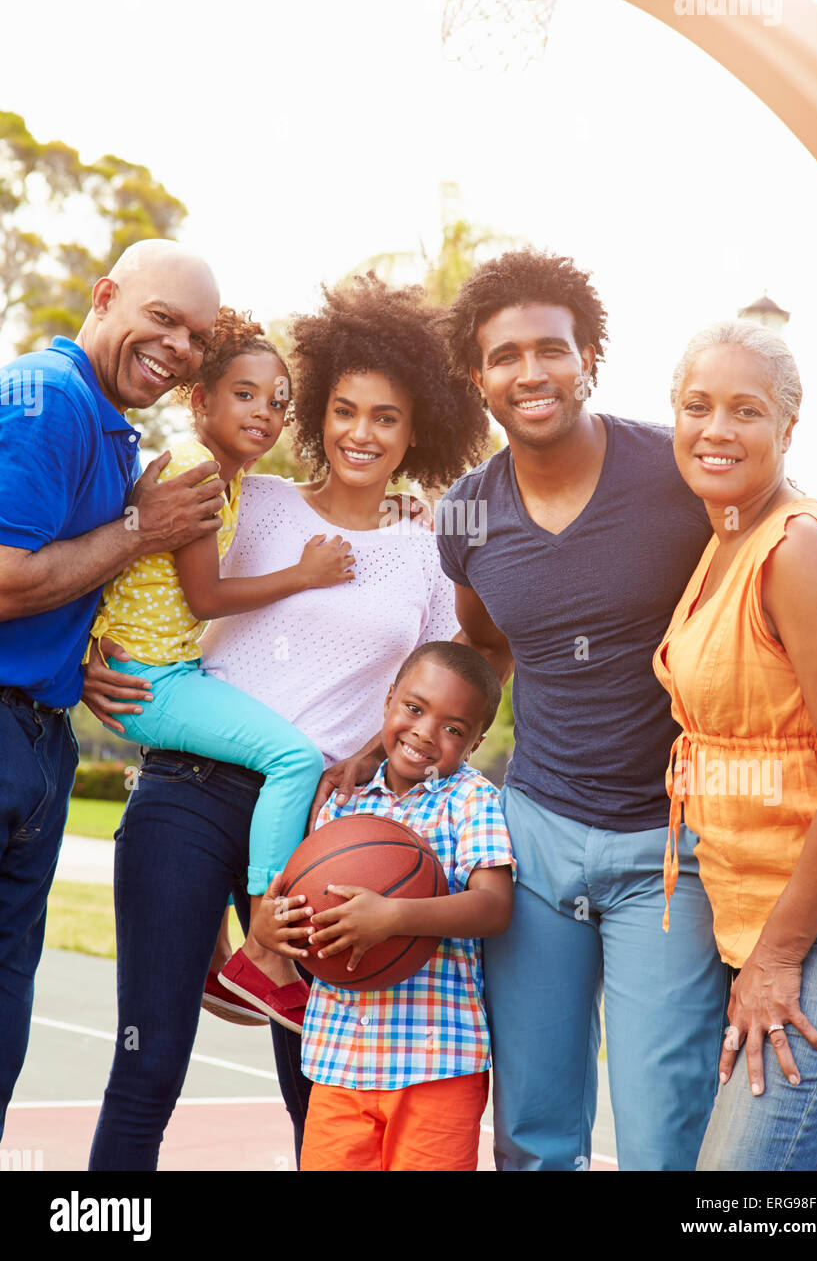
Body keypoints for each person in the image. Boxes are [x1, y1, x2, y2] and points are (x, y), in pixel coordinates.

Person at [82, 276, 489, 1169]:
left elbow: (448, 691)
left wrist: (375, 751)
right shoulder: (247, 497)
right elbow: (140, 578)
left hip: (322, 829)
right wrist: (88, 653)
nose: (361, 434)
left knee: (314, 1073)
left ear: (416, 431)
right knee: (148, 1065)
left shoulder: (427, 546)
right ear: (316, 411)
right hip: (188, 799)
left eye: (386, 418)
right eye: (343, 410)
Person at [434, 248, 728, 1171]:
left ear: (589, 356)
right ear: (477, 376)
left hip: (667, 848)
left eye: (551, 349)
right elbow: (484, 644)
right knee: (533, 1132)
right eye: (506, 354)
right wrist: (415, 743)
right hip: (535, 839)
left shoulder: (678, 475)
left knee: (662, 1135)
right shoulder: (465, 516)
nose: (532, 372)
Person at [0, 239, 223, 1137]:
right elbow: (8, 577)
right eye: (161, 319)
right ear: (104, 297)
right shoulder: (47, 399)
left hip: (41, 740)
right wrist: (139, 528)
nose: (177, 347)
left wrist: (83, 655)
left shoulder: (104, 421)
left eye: (197, 336)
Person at [86, 307, 350, 1030]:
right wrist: (305, 574)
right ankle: (268, 949)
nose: (265, 412)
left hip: (172, 671)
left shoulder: (231, 481)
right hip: (150, 681)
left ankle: (214, 957)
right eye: (245, 394)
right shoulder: (198, 478)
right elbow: (206, 597)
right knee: (293, 758)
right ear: (200, 399)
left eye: (279, 401)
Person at [654, 318, 817, 1171]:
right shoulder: (723, 543)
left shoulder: (798, 550)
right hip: (762, 925)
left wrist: (777, 959)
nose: (716, 429)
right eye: (697, 406)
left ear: (788, 426)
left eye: (746, 410)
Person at [253, 641, 514, 1172]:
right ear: (389, 699)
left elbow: (494, 906)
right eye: (414, 709)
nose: (424, 733)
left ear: (476, 742)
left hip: (437, 1061)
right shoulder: (341, 806)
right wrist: (269, 925)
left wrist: (394, 917)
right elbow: (299, 901)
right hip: (338, 1060)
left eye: (453, 728)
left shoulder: (470, 799)